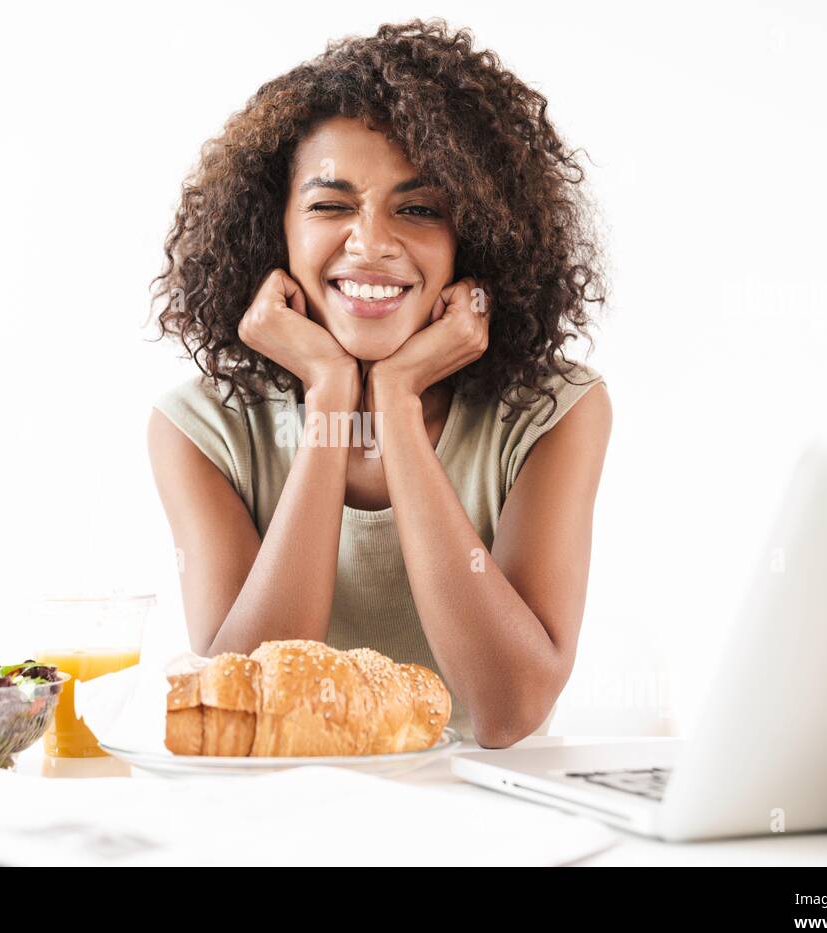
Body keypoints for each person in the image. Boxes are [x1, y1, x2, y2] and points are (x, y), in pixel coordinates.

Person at [146, 19, 612, 748]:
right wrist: (332, 393)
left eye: (418, 208)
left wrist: (394, 401)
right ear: (276, 233)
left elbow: (508, 710)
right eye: (331, 205)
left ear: (477, 235)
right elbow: (250, 709)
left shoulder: (555, 413)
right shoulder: (201, 429)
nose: (370, 242)